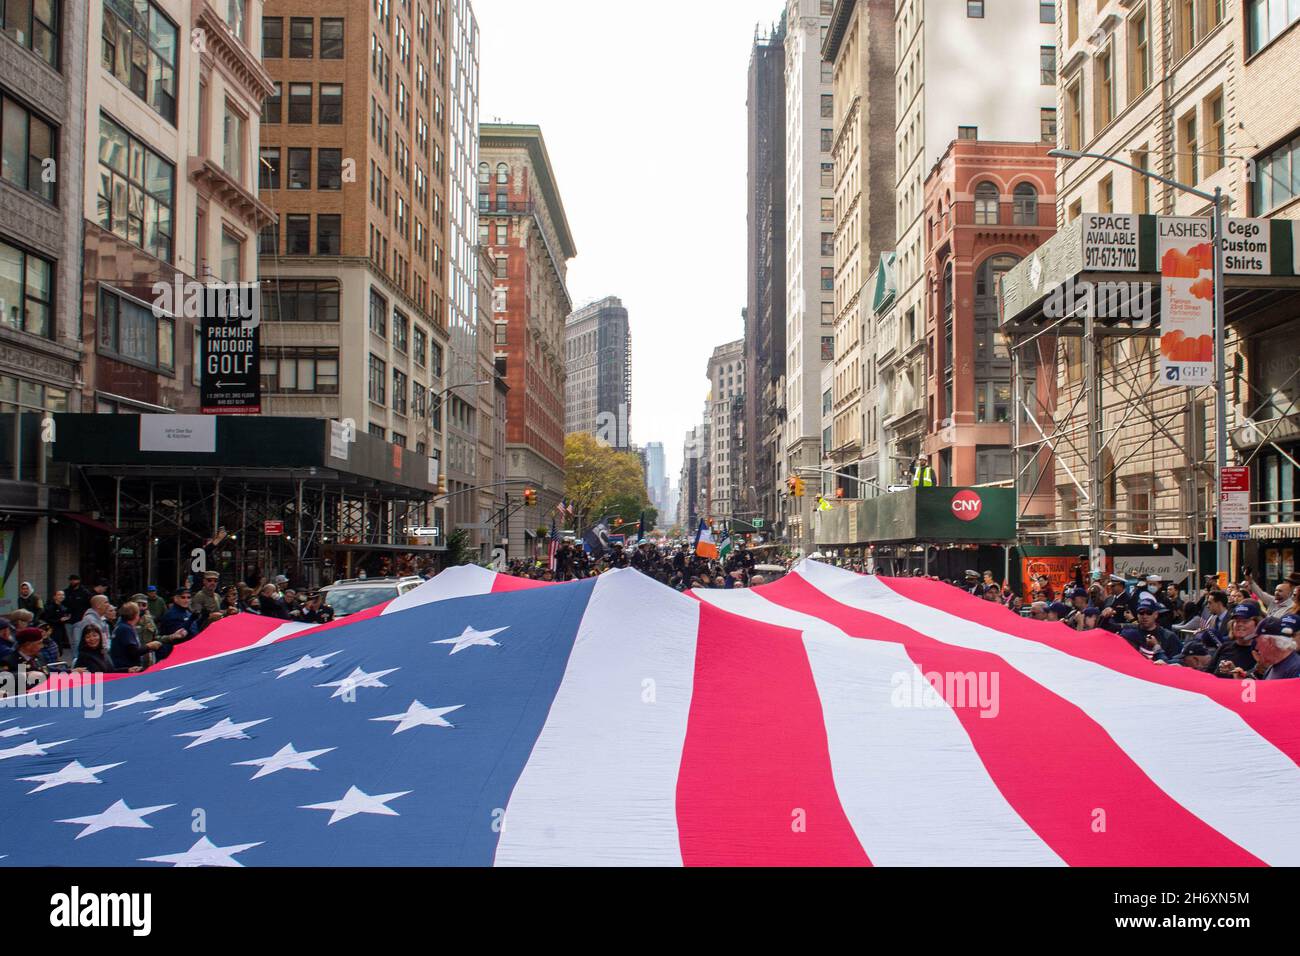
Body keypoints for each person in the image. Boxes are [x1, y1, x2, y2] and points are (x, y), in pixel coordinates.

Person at [1207, 602, 1263, 678]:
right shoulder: (1225, 647)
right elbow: (1208, 674)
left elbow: (1260, 680)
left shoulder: (1261, 652)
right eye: (1236, 621)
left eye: (1245, 621)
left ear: (1257, 625)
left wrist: (1237, 673)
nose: (1239, 624)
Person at [1120, 597, 1182, 662]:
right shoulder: (1129, 634)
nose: (1144, 616)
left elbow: (1177, 662)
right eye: (1141, 612)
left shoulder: (1169, 636)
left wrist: (1157, 648)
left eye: (1149, 612)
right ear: (1137, 615)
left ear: (1156, 615)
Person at [110, 602, 161, 672]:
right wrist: (149, 646)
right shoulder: (126, 629)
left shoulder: (121, 626)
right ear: (136, 615)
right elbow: (133, 652)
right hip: (127, 669)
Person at [0, 627, 50, 694]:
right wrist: (25, 675)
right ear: (28, 645)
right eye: (39, 643)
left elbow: (46, 670)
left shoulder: (39, 656)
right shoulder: (9, 661)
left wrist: (67, 671)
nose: (42, 646)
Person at [40, 589, 71, 657]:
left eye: (63, 595)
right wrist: (59, 620)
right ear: (55, 597)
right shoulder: (50, 607)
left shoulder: (63, 607)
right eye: (59, 595)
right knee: (54, 646)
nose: (61, 596)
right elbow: (47, 619)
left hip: (60, 629)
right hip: (52, 629)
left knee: (59, 647)